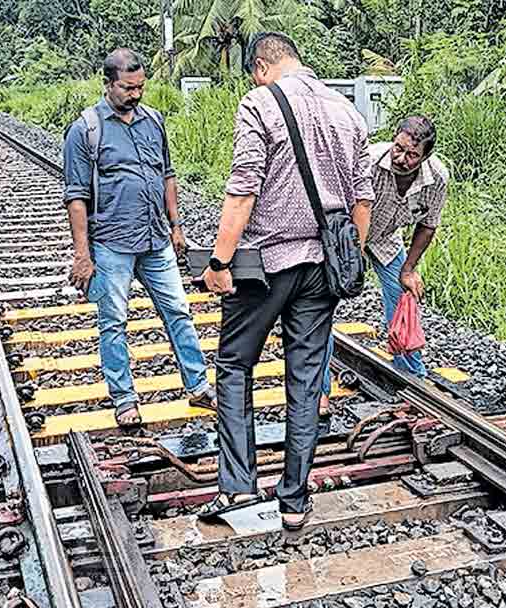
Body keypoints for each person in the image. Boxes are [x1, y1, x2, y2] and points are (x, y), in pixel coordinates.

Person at [198, 33, 373, 531]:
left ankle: (238, 487)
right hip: (323, 267)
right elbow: (362, 200)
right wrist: (349, 256)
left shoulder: (260, 101)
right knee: (304, 380)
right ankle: (294, 501)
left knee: (234, 364)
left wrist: (218, 260)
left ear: (260, 67)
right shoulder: (348, 112)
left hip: (266, 267)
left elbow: (243, 188)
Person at [64, 48, 215, 428]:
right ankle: (125, 399)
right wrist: (82, 254)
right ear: (108, 84)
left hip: (155, 239)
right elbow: (76, 197)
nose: (135, 94)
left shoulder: (154, 121)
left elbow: (167, 174)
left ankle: (198, 386)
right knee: (113, 321)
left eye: (140, 86)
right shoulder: (86, 129)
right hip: (112, 243)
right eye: (127, 88)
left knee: (178, 311)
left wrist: (176, 225)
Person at [320, 116, 448, 414]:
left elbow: (428, 225)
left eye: (412, 154)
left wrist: (409, 269)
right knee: (322, 307)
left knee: (404, 297)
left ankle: (411, 375)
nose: (402, 158)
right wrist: (351, 256)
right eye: (399, 149)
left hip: (386, 238)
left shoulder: (437, 178)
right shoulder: (370, 161)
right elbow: (344, 205)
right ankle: (318, 389)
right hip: (348, 235)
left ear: (425, 156)